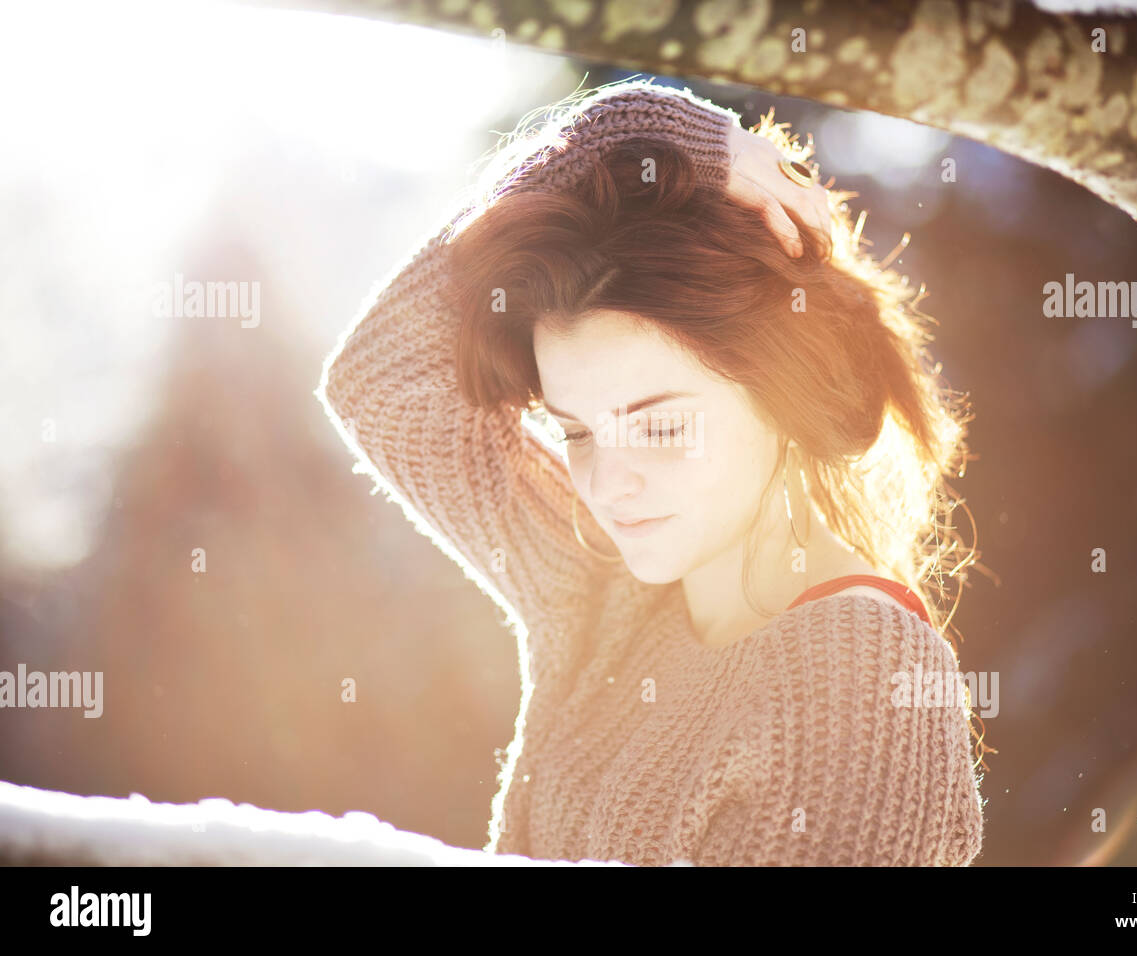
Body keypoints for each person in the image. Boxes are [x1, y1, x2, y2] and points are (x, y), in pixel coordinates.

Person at [317, 78, 987, 866]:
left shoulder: (868, 675)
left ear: (784, 391)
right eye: (575, 432)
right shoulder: (599, 587)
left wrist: (629, 141)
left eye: (661, 424)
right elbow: (379, 381)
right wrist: (621, 135)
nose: (608, 484)